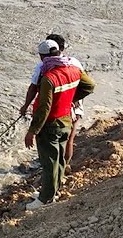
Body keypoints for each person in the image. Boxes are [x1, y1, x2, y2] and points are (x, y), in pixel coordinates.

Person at [25, 39, 96, 209]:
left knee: (49, 162)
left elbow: (44, 108)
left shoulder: (49, 78)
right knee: (59, 159)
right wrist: (70, 99)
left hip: (50, 125)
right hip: (66, 120)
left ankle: (45, 199)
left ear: (43, 57)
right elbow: (90, 86)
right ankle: (53, 191)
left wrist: (32, 131)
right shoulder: (73, 69)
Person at [19, 34, 85, 165]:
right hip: (74, 105)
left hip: (56, 111)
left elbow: (34, 90)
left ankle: (52, 172)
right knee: (69, 139)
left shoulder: (43, 68)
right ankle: (63, 168)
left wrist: (25, 107)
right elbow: (87, 84)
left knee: (50, 144)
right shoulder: (74, 63)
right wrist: (75, 98)